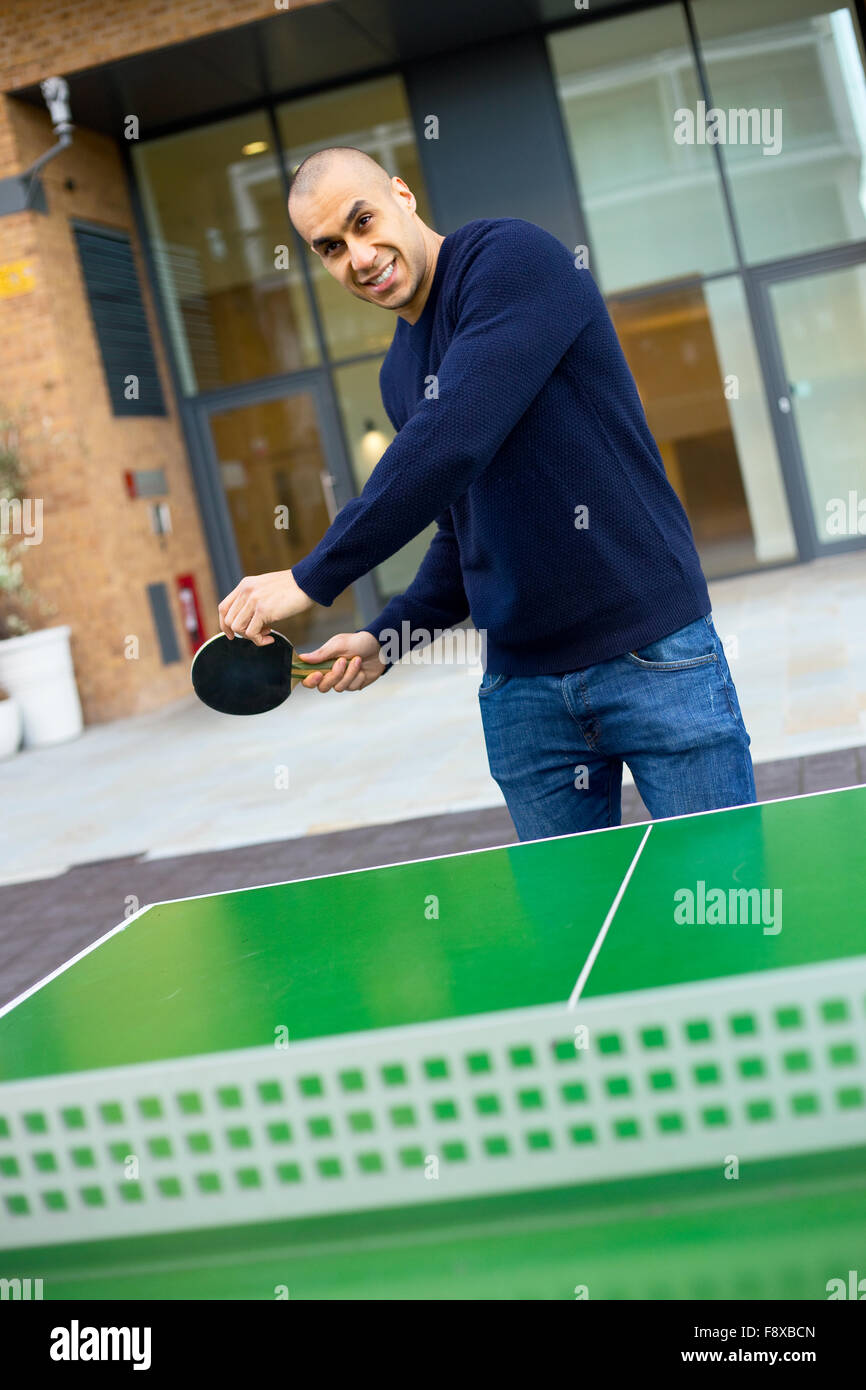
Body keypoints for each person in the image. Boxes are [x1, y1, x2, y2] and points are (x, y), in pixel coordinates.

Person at [218, 145, 756, 840]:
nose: (358, 255)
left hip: (652, 653)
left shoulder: (510, 260)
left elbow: (455, 435)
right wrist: (388, 637)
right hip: (524, 698)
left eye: (363, 221)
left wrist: (311, 577)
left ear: (403, 198)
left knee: (725, 911)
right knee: (570, 937)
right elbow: (461, 532)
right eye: (329, 247)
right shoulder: (396, 373)